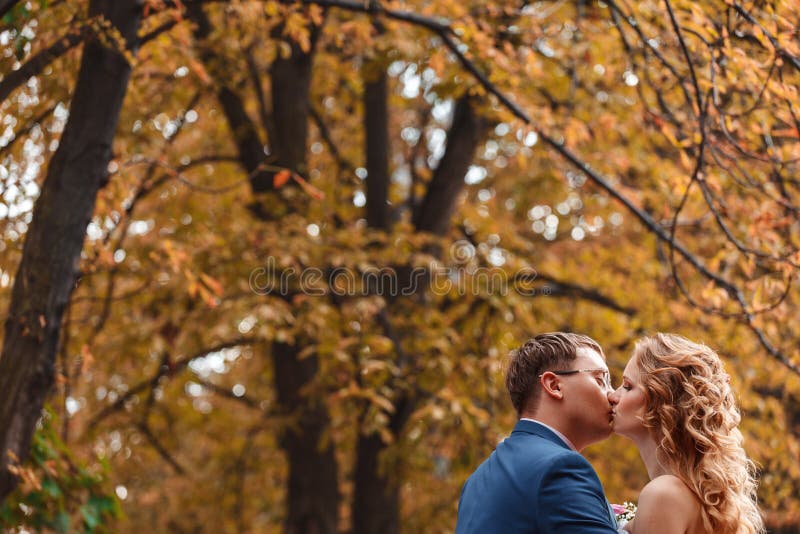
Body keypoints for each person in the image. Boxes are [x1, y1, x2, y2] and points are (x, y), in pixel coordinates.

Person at [456, 332, 619, 533]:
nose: (614, 395)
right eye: (601, 380)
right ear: (554, 385)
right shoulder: (560, 468)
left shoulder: (477, 479)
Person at [610, 333, 765, 534]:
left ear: (662, 403)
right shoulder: (691, 493)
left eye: (628, 386)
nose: (613, 395)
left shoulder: (663, 494)